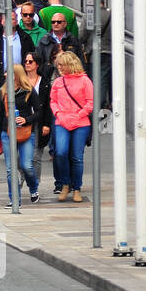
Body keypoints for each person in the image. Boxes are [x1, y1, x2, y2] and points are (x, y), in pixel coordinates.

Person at [0, 64, 41, 204]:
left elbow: (39, 112)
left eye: (8, 73)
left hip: (25, 132)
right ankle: (14, 199)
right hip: (7, 133)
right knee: (11, 169)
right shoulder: (3, 92)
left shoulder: (29, 91)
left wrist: (26, 119)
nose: (5, 75)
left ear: (16, 75)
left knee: (26, 166)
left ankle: (33, 188)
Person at [49, 51, 94, 202]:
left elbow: (90, 103)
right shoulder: (58, 82)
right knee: (60, 152)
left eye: (62, 64)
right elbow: (53, 101)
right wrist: (58, 114)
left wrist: (78, 115)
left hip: (80, 123)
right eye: (58, 65)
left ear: (70, 64)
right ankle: (65, 184)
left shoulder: (85, 81)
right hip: (62, 121)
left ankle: (77, 188)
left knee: (76, 157)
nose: (59, 67)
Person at [24, 52, 53, 194]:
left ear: (37, 64)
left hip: (39, 122)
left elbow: (48, 105)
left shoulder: (45, 83)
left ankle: (34, 186)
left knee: (36, 156)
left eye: (30, 61)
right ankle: (24, 179)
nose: (27, 64)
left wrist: (47, 124)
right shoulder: (20, 81)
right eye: (26, 61)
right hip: (23, 121)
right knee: (21, 156)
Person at [36, 10, 85, 81]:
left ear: (65, 24)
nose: (56, 24)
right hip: (49, 79)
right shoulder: (43, 40)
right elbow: (38, 63)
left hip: (71, 79)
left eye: (59, 22)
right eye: (53, 22)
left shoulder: (73, 40)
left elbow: (81, 61)